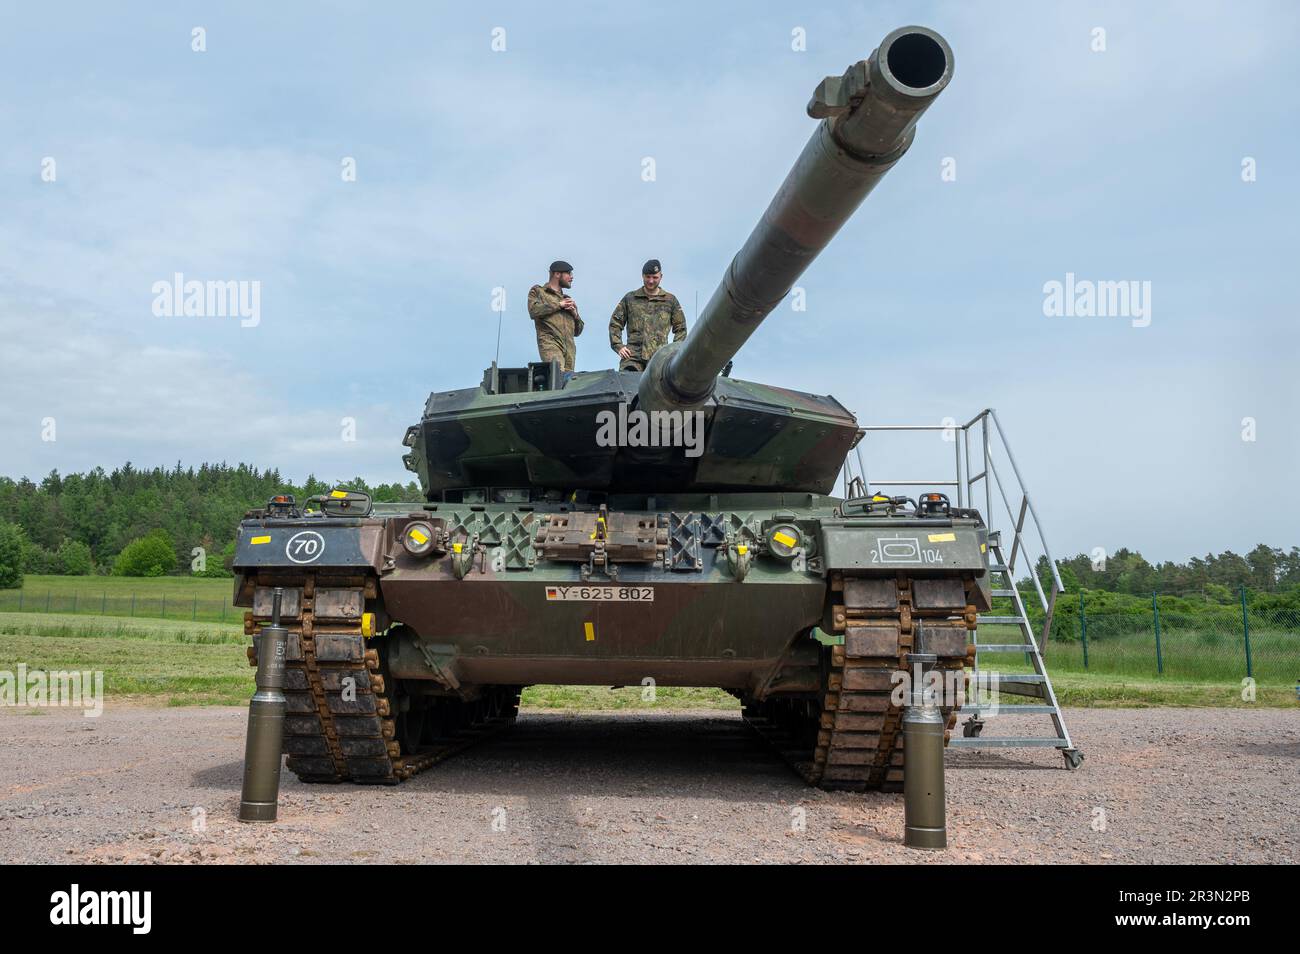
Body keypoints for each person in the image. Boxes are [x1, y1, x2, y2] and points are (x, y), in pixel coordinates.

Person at [608, 259, 687, 371]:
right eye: (648, 277)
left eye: (655, 277)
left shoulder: (670, 300)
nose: (651, 281)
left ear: (661, 277)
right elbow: (615, 323)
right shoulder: (630, 298)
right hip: (632, 357)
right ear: (642, 276)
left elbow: (681, 328)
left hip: (659, 358)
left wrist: (674, 352)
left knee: (660, 387)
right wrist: (618, 346)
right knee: (627, 383)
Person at [527, 261, 583, 371]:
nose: (571, 277)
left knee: (568, 383)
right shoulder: (539, 292)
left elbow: (578, 332)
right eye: (568, 273)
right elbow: (533, 311)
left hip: (569, 351)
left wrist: (575, 315)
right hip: (550, 344)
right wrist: (558, 305)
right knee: (557, 375)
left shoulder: (567, 300)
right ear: (557, 274)